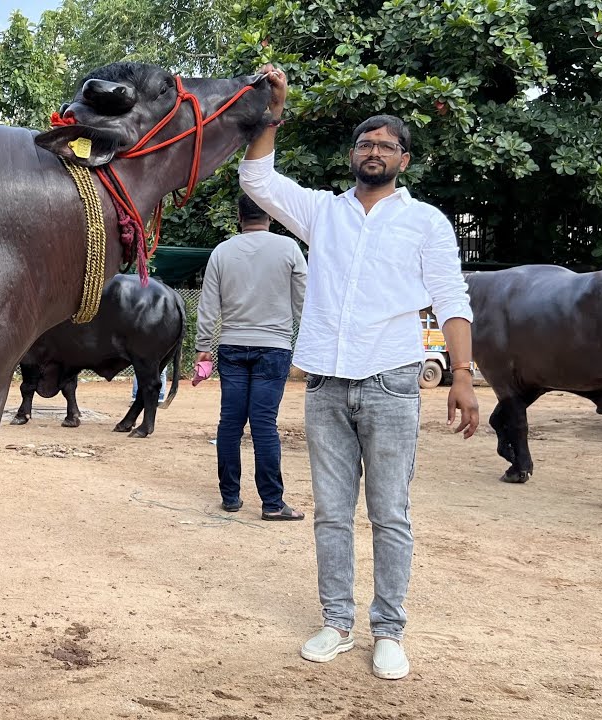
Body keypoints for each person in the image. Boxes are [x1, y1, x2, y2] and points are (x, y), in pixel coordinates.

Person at [238, 65, 480, 681]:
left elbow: (452, 299)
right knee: (330, 511)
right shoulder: (324, 213)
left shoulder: (425, 221)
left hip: (393, 380)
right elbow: (257, 177)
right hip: (324, 383)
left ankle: (389, 629)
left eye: (386, 145)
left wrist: (460, 375)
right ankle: (337, 621)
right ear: (353, 155)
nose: (373, 152)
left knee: (391, 513)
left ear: (404, 159)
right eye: (364, 144)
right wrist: (275, 107)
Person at [195, 194, 308, 521]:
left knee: (230, 423)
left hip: (231, 347)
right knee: (264, 425)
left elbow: (208, 306)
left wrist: (203, 347)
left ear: (239, 216)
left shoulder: (221, 252)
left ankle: (230, 497)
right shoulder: (288, 250)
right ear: (270, 215)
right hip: (274, 349)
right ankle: (272, 504)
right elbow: (304, 303)